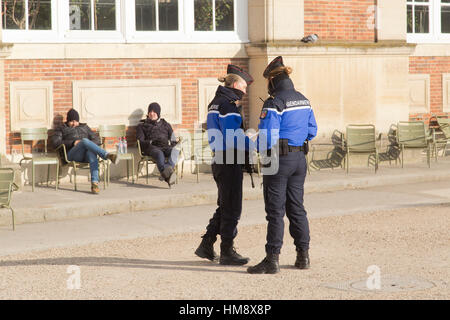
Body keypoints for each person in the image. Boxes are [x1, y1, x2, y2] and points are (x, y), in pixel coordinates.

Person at [247, 56, 318, 274]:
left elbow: (267, 137)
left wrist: (254, 143)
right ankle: (303, 256)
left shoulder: (274, 103)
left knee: (275, 211)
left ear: (273, 81)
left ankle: (272, 259)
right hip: (299, 159)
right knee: (297, 208)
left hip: (276, 159)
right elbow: (312, 131)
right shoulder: (303, 99)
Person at [194, 64, 255, 265]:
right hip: (229, 160)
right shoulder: (228, 105)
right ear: (236, 84)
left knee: (225, 205)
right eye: (245, 87)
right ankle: (227, 251)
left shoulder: (216, 102)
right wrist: (253, 143)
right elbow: (233, 137)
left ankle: (206, 244)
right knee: (232, 208)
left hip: (220, 158)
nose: (245, 92)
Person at [51, 108, 118, 194]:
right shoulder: (61, 128)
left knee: (91, 152)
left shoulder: (85, 127)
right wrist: (73, 143)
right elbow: (55, 143)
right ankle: (106, 155)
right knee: (85, 141)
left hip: (85, 155)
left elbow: (97, 140)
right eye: (71, 121)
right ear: (68, 121)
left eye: (76, 121)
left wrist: (89, 145)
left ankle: (94, 184)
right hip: (71, 154)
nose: (74, 123)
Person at [136, 102, 179, 187]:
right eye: (150, 112)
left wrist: (173, 145)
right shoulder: (142, 126)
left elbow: (173, 139)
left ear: (158, 113)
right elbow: (140, 141)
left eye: (154, 111)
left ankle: (165, 172)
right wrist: (151, 141)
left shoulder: (165, 124)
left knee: (175, 151)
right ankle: (168, 175)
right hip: (152, 148)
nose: (152, 113)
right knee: (159, 154)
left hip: (165, 146)